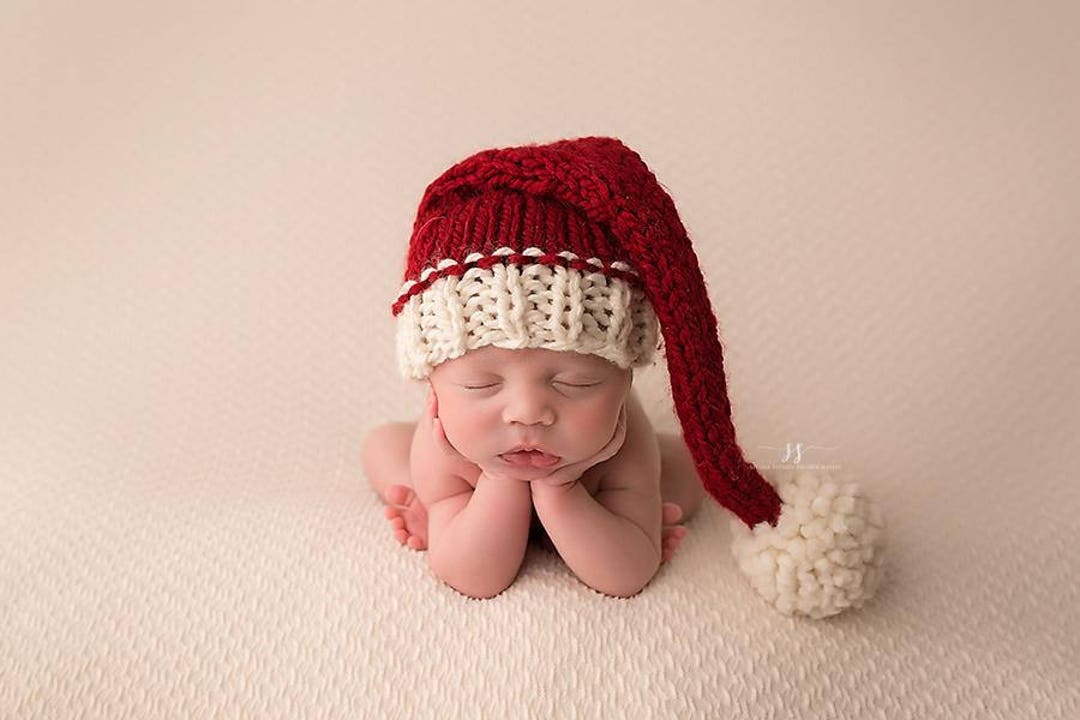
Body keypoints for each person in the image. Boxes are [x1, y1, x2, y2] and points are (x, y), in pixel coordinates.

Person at [362, 136, 886, 616]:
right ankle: (442, 511)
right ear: (432, 381)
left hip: (596, 476)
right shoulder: (447, 442)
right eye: (482, 384)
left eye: (574, 383)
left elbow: (625, 576)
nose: (527, 412)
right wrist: (495, 481)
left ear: (625, 380)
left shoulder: (623, 443)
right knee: (385, 447)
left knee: (685, 474)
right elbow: (477, 579)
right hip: (467, 476)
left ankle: (624, 505)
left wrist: (563, 489)